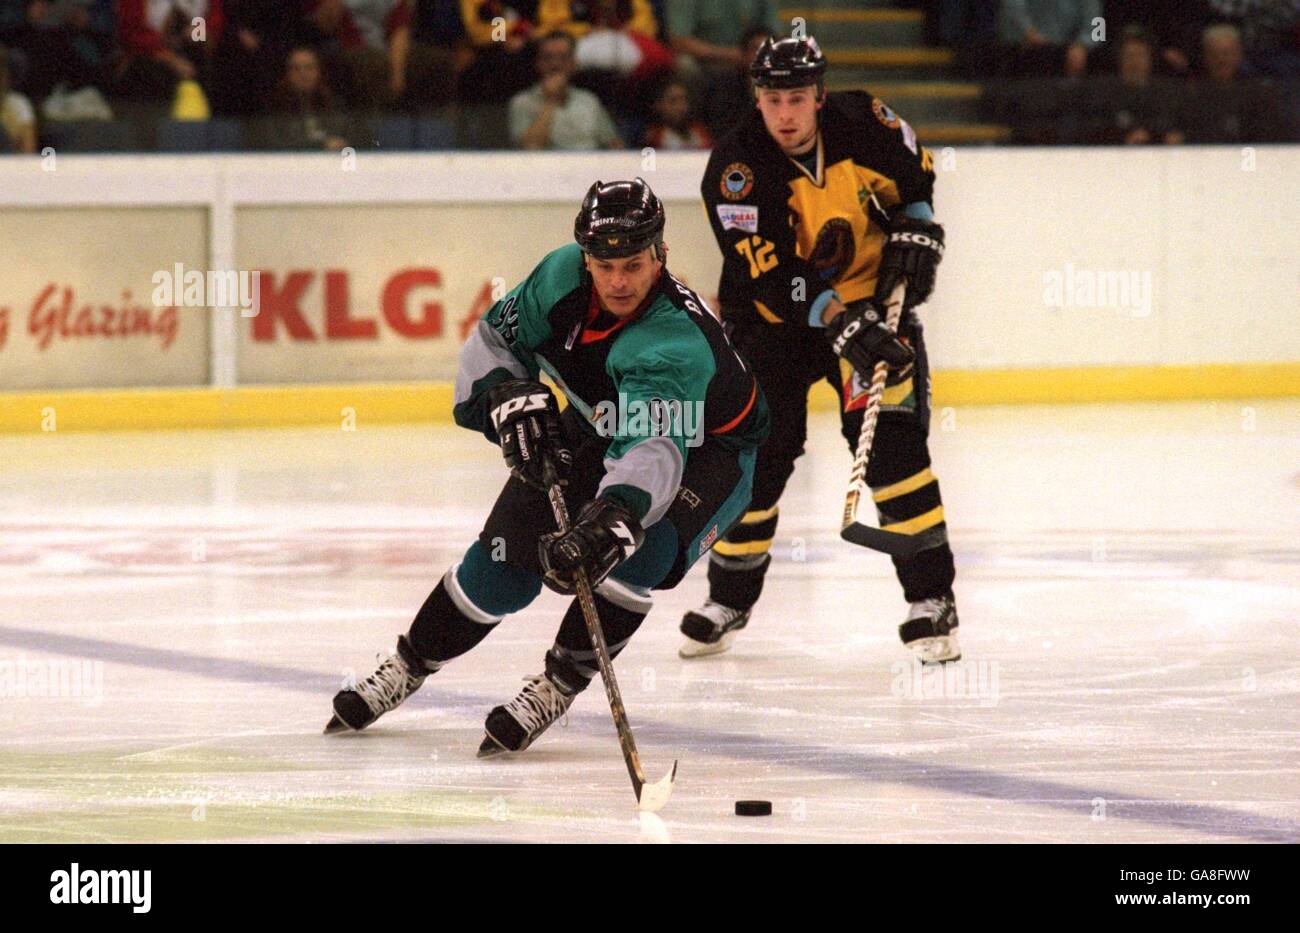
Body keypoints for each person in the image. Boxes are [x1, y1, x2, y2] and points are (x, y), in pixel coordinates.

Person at [326, 179, 769, 756]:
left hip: (710, 453)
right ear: (585, 256)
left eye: (633, 264)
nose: (617, 280)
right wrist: (504, 397)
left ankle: (560, 683)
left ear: (662, 254)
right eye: (603, 263)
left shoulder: (673, 342)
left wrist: (614, 518)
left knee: (640, 551)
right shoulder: (560, 276)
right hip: (600, 422)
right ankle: (410, 663)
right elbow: (493, 342)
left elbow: (653, 452)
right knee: (503, 557)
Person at [685, 36, 960, 663]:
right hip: (772, 326)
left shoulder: (865, 122)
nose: (785, 113)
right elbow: (770, 272)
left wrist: (918, 227)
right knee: (758, 458)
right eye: (773, 98)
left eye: (797, 98)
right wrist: (837, 320)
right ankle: (729, 598)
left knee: (894, 448)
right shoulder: (736, 169)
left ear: (820, 96)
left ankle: (932, 599)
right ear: (756, 98)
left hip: (871, 310)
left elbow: (914, 181)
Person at [509, 29, 622, 149]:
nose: (555, 64)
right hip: (548, 166)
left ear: (573, 63)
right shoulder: (522, 102)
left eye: (563, 57)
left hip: (590, 165)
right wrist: (551, 101)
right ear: (538, 63)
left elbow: (614, 144)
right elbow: (530, 148)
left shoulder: (589, 101)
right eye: (548, 58)